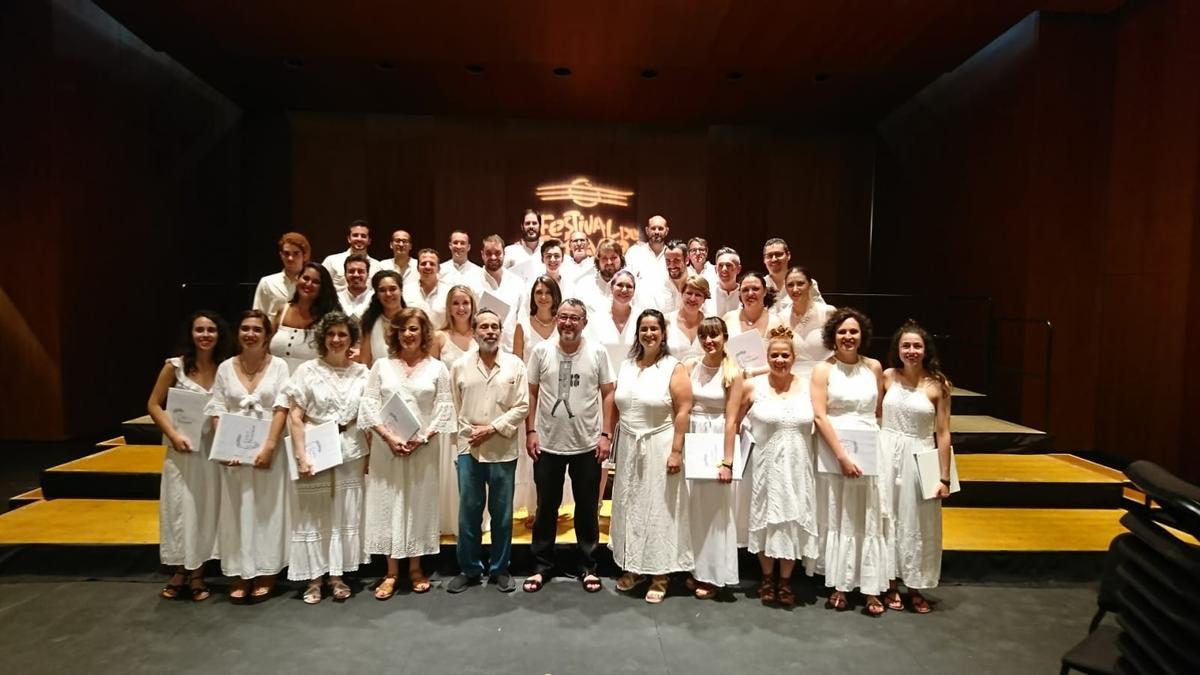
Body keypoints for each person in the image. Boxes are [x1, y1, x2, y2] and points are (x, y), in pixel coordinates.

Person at [358, 308, 456, 599]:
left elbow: (444, 408)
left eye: (414, 329)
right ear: (395, 333)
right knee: (390, 503)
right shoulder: (382, 366)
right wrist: (388, 437)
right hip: (388, 450)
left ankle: (415, 568)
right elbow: (369, 405)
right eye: (403, 329)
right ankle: (390, 572)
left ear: (424, 332)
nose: (408, 334)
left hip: (422, 449)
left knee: (418, 505)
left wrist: (422, 438)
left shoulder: (437, 368)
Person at [523, 299, 615, 594]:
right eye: (562, 317)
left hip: (587, 443)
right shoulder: (540, 352)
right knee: (545, 507)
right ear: (556, 320)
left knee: (587, 509)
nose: (567, 323)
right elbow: (532, 393)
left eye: (574, 318)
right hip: (547, 442)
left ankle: (588, 566)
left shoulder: (598, 352)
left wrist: (605, 435)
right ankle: (541, 566)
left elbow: (608, 394)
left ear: (584, 322)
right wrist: (531, 430)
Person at [277, 312, 371, 604]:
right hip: (315, 443)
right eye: (331, 334)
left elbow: (368, 417)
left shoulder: (363, 373)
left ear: (351, 339)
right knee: (314, 512)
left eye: (342, 334)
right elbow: (295, 415)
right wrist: (301, 455)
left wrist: (370, 455)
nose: (336, 339)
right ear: (322, 338)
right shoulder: (307, 370)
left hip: (350, 446)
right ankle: (314, 579)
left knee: (345, 510)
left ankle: (337, 575)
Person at [204, 310, 292, 603]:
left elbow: (282, 407)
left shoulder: (279, 366)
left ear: (267, 335)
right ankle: (242, 571)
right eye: (245, 328)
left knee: (267, 508)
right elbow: (216, 407)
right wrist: (224, 445)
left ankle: (267, 570)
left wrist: (269, 446)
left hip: (268, 447)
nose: (250, 334)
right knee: (238, 509)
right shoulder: (226, 367)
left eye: (257, 329)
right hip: (235, 451)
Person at [147, 310, 232, 602]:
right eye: (200, 330)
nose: (205, 335)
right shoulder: (176, 366)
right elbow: (154, 405)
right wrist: (174, 435)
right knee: (180, 508)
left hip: (212, 449)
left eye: (211, 330)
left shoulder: (225, 368)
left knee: (206, 508)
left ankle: (198, 573)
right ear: (191, 334)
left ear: (219, 335)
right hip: (182, 449)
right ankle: (180, 570)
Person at [610, 309, 694, 604]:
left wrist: (676, 450)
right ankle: (634, 567)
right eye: (644, 329)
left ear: (663, 333)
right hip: (630, 446)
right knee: (631, 506)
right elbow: (617, 405)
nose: (649, 334)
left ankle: (660, 574)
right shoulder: (628, 365)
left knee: (659, 509)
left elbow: (683, 410)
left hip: (660, 443)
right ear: (638, 333)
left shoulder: (674, 367)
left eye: (654, 329)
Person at [445, 309, 530, 593]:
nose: (490, 331)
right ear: (474, 331)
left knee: (502, 514)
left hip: (502, 450)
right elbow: (455, 408)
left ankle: (500, 568)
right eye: (484, 327)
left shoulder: (515, 365)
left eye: (495, 326)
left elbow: (522, 406)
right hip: (469, 449)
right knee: (468, 513)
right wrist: (472, 433)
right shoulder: (459, 366)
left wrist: (491, 428)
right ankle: (469, 569)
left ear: (500, 331)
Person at [811, 307, 888, 616]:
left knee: (868, 516)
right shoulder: (823, 369)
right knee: (840, 514)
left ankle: (870, 587)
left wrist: (869, 451)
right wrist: (842, 456)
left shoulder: (875, 367)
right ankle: (840, 584)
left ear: (862, 335)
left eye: (853, 331)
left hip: (869, 448)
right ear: (833, 336)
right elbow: (819, 414)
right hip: (834, 450)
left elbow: (878, 411)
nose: (848, 337)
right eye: (842, 332)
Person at [741, 326, 819, 608]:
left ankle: (785, 580)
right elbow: (734, 422)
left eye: (785, 355)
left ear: (794, 357)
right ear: (767, 357)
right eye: (774, 355)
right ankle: (766, 578)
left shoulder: (808, 387)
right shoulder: (753, 386)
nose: (780, 360)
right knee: (766, 518)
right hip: (765, 464)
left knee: (791, 519)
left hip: (798, 464)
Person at [880, 321, 952, 614]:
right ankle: (890, 583)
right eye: (906, 345)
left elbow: (944, 432)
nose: (911, 351)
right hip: (887, 452)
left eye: (916, 346)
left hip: (920, 454)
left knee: (917, 521)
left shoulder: (938, 384)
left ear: (925, 350)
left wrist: (944, 477)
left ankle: (915, 585)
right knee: (888, 517)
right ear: (898, 349)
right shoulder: (887, 377)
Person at [684, 318, 743, 599]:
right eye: (704, 337)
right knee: (691, 508)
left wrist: (727, 461)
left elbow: (732, 420)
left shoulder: (733, 372)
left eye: (715, 336)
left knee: (714, 512)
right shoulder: (690, 367)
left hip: (717, 438)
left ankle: (713, 573)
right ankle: (694, 569)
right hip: (692, 437)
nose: (709, 342)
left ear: (725, 337)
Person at [431, 285, 480, 535]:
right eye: (456, 303)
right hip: (447, 409)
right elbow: (430, 374)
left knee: (473, 468)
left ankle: (472, 522)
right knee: (448, 468)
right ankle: (447, 521)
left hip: (475, 409)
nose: (461, 308)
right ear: (449, 307)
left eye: (465, 303)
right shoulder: (440, 337)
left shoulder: (480, 335)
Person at [271, 262, 342, 374]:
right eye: (306, 278)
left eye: (316, 282)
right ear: (298, 279)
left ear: (323, 288)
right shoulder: (282, 310)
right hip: (276, 384)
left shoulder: (329, 319)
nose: (309, 284)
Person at [776, 266, 836, 380]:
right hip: (794, 381)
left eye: (800, 283)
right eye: (790, 285)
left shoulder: (828, 312)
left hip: (827, 378)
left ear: (810, 285)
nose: (795, 289)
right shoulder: (781, 318)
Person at [253, 232, 311, 318]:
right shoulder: (267, 282)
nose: (290, 258)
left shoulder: (311, 283)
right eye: (286, 253)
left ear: (305, 255)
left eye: (296, 253)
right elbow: (258, 316)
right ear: (281, 255)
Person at [722, 271, 783, 347]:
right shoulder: (728, 318)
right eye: (745, 290)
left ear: (765, 291)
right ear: (739, 294)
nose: (750, 293)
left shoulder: (776, 322)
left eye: (755, 289)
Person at [358, 270, 406, 366]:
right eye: (382, 290)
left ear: (401, 290)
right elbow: (365, 362)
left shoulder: (413, 320)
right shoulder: (369, 322)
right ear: (377, 295)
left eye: (392, 289)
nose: (388, 294)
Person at [323, 220, 381, 294]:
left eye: (363, 236)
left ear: (369, 241)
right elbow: (321, 286)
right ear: (349, 239)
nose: (359, 239)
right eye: (355, 235)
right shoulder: (332, 261)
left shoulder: (377, 266)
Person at [665, 276, 709, 362]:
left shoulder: (711, 322)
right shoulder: (666, 320)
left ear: (704, 299)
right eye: (689, 293)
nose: (692, 298)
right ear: (681, 294)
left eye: (698, 295)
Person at [576, 238, 625, 315]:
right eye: (604, 258)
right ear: (597, 261)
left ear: (621, 259)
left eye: (613, 258)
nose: (609, 262)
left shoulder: (630, 285)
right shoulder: (584, 285)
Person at [645, 240, 688, 313]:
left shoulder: (696, 283)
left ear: (687, 260)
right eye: (668, 261)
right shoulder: (656, 285)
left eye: (676, 260)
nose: (672, 265)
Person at [624, 215, 669, 284]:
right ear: (647, 230)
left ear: (666, 231)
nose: (656, 232)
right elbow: (625, 279)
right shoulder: (634, 253)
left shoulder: (672, 256)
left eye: (660, 228)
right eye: (653, 228)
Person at [411, 248, 451, 327]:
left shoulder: (449, 291)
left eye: (432, 264)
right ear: (417, 268)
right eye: (423, 263)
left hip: (441, 337)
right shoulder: (406, 290)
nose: (427, 267)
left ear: (438, 268)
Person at [706, 247, 742, 317]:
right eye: (720, 265)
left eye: (728, 265)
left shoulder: (745, 294)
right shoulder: (706, 294)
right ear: (715, 269)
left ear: (738, 269)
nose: (724, 269)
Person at [337, 253, 374, 318]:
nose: (356, 275)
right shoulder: (336, 299)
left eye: (360, 271)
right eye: (351, 271)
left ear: (367, 275)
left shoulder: (375, 298)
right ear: (345, 274)